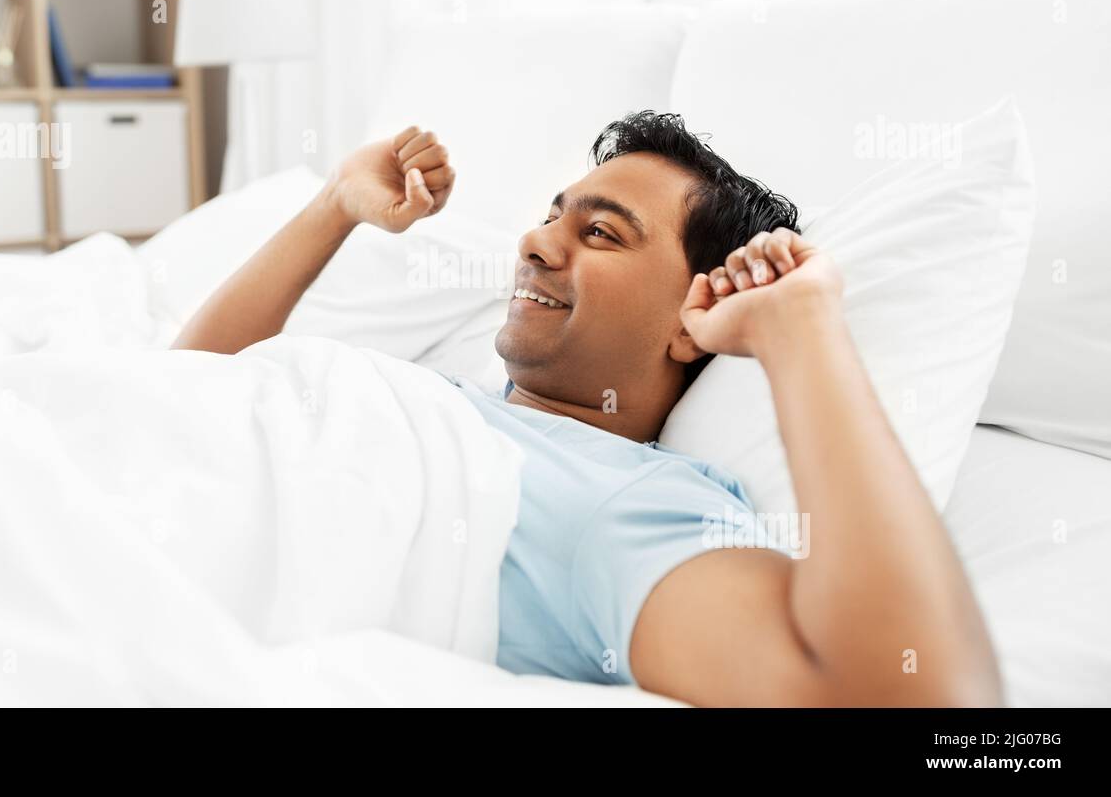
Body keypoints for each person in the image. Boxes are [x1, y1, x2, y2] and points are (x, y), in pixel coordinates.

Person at [173, 112, 1003, 707]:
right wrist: (333, 207)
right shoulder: (452, 409)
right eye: (548, 216)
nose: (536, 243)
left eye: (602, 234)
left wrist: (800, 331)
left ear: (693, 314)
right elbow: (190, 394)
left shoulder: (630, 503)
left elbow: (909, 690)